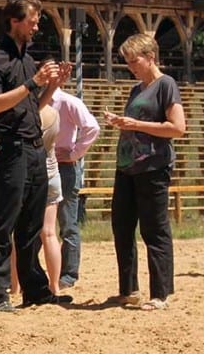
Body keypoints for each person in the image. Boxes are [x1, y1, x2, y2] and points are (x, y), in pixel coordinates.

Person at [0, 0, 70, 312]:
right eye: (31, 20)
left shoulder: (29, 62)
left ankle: (36, 290)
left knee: (31, 225)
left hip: (35, 150)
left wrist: (53, 85)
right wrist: (33, 82)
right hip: (12, 151)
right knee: (3, 223)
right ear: (14, 21)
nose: (36, 26)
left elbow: (35, 106)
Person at [104, 33, 185, 311]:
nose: (130, 66)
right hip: (127, 166)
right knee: (122, 227)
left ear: (150, 57)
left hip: (153, 166)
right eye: (126, 61)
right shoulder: (136, 89)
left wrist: (135, 124)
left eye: (134, 60)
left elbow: (177, 128)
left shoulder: (166, 85)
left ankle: (160, 293)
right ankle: (129, 289)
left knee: (154, 229)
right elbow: (137, 123)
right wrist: (122, 122)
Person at [51, 89, 100, 288]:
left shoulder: (68, 102)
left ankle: (68, 274)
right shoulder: (36, 99)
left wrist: (74, 154)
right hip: (43, 164)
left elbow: (92, 127)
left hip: (64, 166)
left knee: (68, 223)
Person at [38, 103, 64, 296]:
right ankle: (54, 285)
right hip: (52, 172)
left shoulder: (26, 113)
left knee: (19, 235)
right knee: (50, 233)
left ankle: (15, 285)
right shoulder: (53, 113)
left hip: (32, 174)